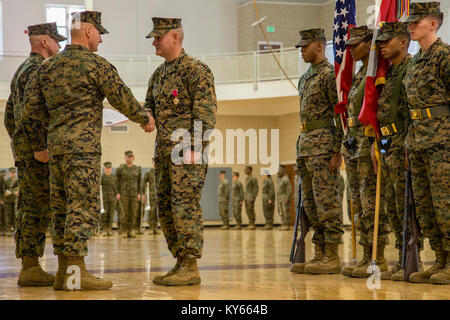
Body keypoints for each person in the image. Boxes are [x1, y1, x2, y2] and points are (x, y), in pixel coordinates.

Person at [21, 11, 154, 291]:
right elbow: (123, 98)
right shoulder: (96, 66)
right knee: (82, 208)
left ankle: (62, 273)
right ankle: (75, 274)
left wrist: (38, 146)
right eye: (100, 34)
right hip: (83, 151)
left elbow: (29, 111)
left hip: (56, 151)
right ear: (90, 32)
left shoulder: (46, 68)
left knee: (62, 210)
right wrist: (145, 119)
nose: (101, 40)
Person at [144, 17, 217, 286]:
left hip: (187, 153)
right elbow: (148, 105)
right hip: (163, 153)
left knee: (184, 207)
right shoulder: (159, 74)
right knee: (165, 208)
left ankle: (190, 264)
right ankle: (179, 261)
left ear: (175, 37)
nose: (154, 42)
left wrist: (195, 150)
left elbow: (206, 116)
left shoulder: (196, 70)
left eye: (158, 38)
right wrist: (146, 118)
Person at [4, 22, 65, 286]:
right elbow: (33, 114)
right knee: (35, 209)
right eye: (56, 41)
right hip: (37, 154)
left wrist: (21, 144)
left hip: (27, 151)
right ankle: (30, 267)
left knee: (31, 206)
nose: (59, 45)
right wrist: (38, 147)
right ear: (44, 42)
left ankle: (30, 266)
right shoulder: (38, 70)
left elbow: (9, 117)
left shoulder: (21, 70)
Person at [373, 21, 424, 281]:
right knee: (394, 206)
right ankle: (403, 257)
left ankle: (413, 258)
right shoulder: (390, 73)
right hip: (388, 144)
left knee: (408, 204)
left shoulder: (411, 68)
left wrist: (407, 144)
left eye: (387, 40)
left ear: (403, 42)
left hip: (404, 142)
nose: (382, 45)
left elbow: (412, 111)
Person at [290, 28, 343, 275]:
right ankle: (319, 252)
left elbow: (339, 112)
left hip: (324, 148)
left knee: (326, 203)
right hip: (306, 147)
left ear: (319, 46)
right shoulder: (305, 77)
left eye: (305, 46)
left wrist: (337, 149)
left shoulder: (330, 74)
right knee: (311, 205)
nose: (301, 50)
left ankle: (331, 255)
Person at [403, 2, 449, 285]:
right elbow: (412, 106)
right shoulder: (414, 61)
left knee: (445, 204)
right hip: (418, 140)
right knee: (426, 206)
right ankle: (440, 261)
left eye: (417, 21)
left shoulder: (444, 56)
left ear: (433, 23)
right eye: (410, 21)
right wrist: (409, 142)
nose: (411, 25)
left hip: (442, 141)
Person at [340, 26, 390, 278]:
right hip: (354, 147)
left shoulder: (377, 73)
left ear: (369, 44)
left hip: (368, 145)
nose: (350, 49)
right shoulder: (361, 74)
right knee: (358, 206)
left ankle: (377, 257)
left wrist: (376, 143)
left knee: (371, 204)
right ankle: (364, 254)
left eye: (355, 44)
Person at [116, 151, 142, 238]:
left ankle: (130, 231)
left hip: (134, 194)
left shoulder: (137, 169)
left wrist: (139, 193)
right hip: (124, 194)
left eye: (131, 157)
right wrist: (118, 192)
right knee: (124, 213)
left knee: (133, 213)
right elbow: (117, 181)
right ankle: (123, 231)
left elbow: (140, 182)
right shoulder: (121, 168)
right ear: (125, 157)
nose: (129, 158)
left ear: (133, 158)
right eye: (128, 157)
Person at [142, 158, 159, 234]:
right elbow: (143, 183)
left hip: (159, 195)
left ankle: (155, 228)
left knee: (157, 212)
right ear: (152, 163)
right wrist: (143, 194)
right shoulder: (149, 172)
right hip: (151, 195)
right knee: (152, 212)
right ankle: (152, 228)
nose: (155, 163)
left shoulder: (161, 172)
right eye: (154, 162)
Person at [101, 161, 117, 236]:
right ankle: (104, 229)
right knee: (104, 215)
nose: (108, 169)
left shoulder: (114, 177)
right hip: (104, 199)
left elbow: (116, 187)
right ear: (104, 168)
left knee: (111, 214)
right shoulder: (102, 177)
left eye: (109, 168)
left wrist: (117, 195)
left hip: (112, 198)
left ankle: (109, 229)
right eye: (107, 168)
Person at [4, 167, 19, 237]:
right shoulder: (7, 181)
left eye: (13, 172)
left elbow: (18, 190)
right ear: (9, 173)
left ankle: (15, 230)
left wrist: (12, 191)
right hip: (8, 200)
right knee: (8, 215)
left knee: (15, 215)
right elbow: (4, 189)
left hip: (15, 200)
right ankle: (8, 230)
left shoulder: (17, 180)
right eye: (11, 173)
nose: (12, 174)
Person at [277, 166, 292, 230]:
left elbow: (289, 190)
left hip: (284, 197)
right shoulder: (279, 179)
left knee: (286, 211)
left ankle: (287, 224)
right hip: (279, 198)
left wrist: (287, 198)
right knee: (281, 212)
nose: (278, 172)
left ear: (283, 171)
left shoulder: (285, 179)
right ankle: (283, 223)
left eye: (279, 170)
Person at [244, 166, 259, 230]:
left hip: (250, 196)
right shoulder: (247, 178)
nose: (245, 171)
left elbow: (256, 188)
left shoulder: (253, 178)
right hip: (246, 197)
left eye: (246, 170)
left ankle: (252, 223)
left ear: (250, 170)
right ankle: (250, 223)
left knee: (251, 210)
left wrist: (253, 197)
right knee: (247, 210)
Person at [0, 170, 7, 236]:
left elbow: (2, 190)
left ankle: (2, 229)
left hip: (2, 200)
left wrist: (2, 199)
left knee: (2, 215)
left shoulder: (1, 178)